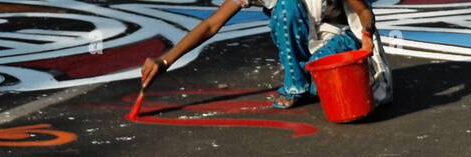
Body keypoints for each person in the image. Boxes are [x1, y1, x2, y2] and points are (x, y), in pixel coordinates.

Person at [139, 0, 383, 110]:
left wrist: (367, 35)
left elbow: (362, 11)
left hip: (339, 41)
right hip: (305, 42)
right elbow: (211, 25)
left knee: (330, 87)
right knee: (285, 7)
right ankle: (296, 85)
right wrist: (165, 60)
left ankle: (311, 81)